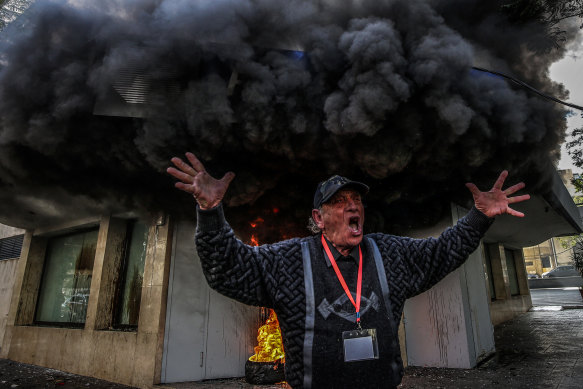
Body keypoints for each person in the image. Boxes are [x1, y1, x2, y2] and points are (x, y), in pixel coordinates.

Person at [167, 152, 530, 389]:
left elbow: (442, 252)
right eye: (338, 202)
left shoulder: (389, 252)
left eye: (356, 200)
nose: (351, 206)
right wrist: (211, 212)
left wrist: (479, 217)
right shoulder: (289, 259)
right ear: (318, 218)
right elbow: (227, 270)